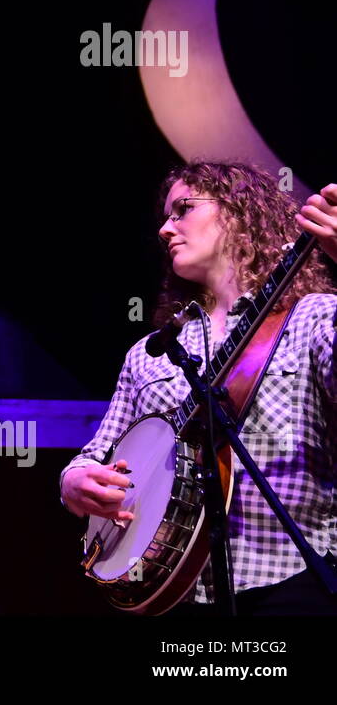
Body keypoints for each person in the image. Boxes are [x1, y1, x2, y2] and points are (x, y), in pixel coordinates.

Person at [61, 161, 337, 614]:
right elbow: (94, 457)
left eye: (183, 210)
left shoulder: (312, 318)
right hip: (172, 591)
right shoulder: (150, 352)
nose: (166, 229)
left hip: (292, 580)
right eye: (164, 218)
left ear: (238, 212)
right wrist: (74, 483)